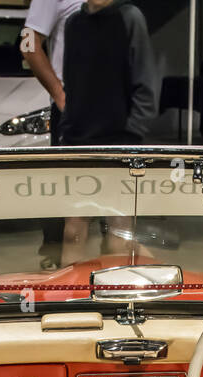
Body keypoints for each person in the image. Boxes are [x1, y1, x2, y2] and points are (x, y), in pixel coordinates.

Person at [59, 0, 158, 263]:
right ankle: (71, 300)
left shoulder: (129, 18)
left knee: (119, 238)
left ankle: (127, 296)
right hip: (78, 144)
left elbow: (145, 82)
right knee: (73, 233)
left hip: (119, 144)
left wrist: (132, 135)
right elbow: (72, 83)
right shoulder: (73, 24)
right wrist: (67, 129)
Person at [22, 0, 81, 268]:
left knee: (112, 192)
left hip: (110, 109)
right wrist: (59, 94)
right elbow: (28, 42)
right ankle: (56, 264)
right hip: (72, 107)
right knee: (65, 190)